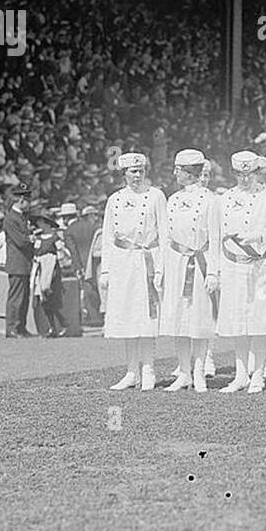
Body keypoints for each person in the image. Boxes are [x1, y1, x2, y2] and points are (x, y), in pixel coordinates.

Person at [100, 152, 169, 391]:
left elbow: (164, 235)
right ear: (124, 174)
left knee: (146, 317)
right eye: (132, 172)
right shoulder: (114, 199)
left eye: (140, 171)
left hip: (146, 261)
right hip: (122, 263)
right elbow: (108, 237)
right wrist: (106, 270)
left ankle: (148, 369)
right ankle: (131, 371)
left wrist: (160, 268)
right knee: (126, 318)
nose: (137, 176)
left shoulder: (156, 196)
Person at [215, 150, 266, 393]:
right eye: (239, 174)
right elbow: (217, 234)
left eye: (249, 174)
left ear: (257, 172)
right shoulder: (225, 198)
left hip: (261, 266)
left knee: (261, 321)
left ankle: (259, 374)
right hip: (233, 265)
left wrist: (259, 236)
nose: (244, 179)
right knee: (237, 321)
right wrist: (217, 270)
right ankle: (240, 374)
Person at [159, 149, 222, 392]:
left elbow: (215, 237)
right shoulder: (173, 199)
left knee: (200, 319)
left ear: (188, 173)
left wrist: (214, 272)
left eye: (178, 170)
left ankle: (199, 372)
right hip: (177, 263)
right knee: (179, 319)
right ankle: (183, 371)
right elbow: (167, 238)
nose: (175, 174)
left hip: (201, 263)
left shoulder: (211, 199)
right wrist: (162, 270)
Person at [3, 184, 35, 338]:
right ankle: (12, 328)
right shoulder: (11, 218)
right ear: (21, 200)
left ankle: (21, 327)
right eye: (28, 200)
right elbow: (21, 241)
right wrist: (32, 239)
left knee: (24, 297)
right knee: (16, 298)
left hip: (24, 263)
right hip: (17, 263)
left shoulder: (21, 217)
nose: (30, 204)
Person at [30, 214, 67, 338]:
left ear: (47, 224)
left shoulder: (55, 238)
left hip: (52, 269)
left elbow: (62, 253)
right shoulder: (39, 238)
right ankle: (53, 327)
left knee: (51, 297)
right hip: (41, 268)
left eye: (41, 222)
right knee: (43, 299)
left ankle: (62, 323)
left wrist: (58, 266)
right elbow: (36, 253)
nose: (39, 225)